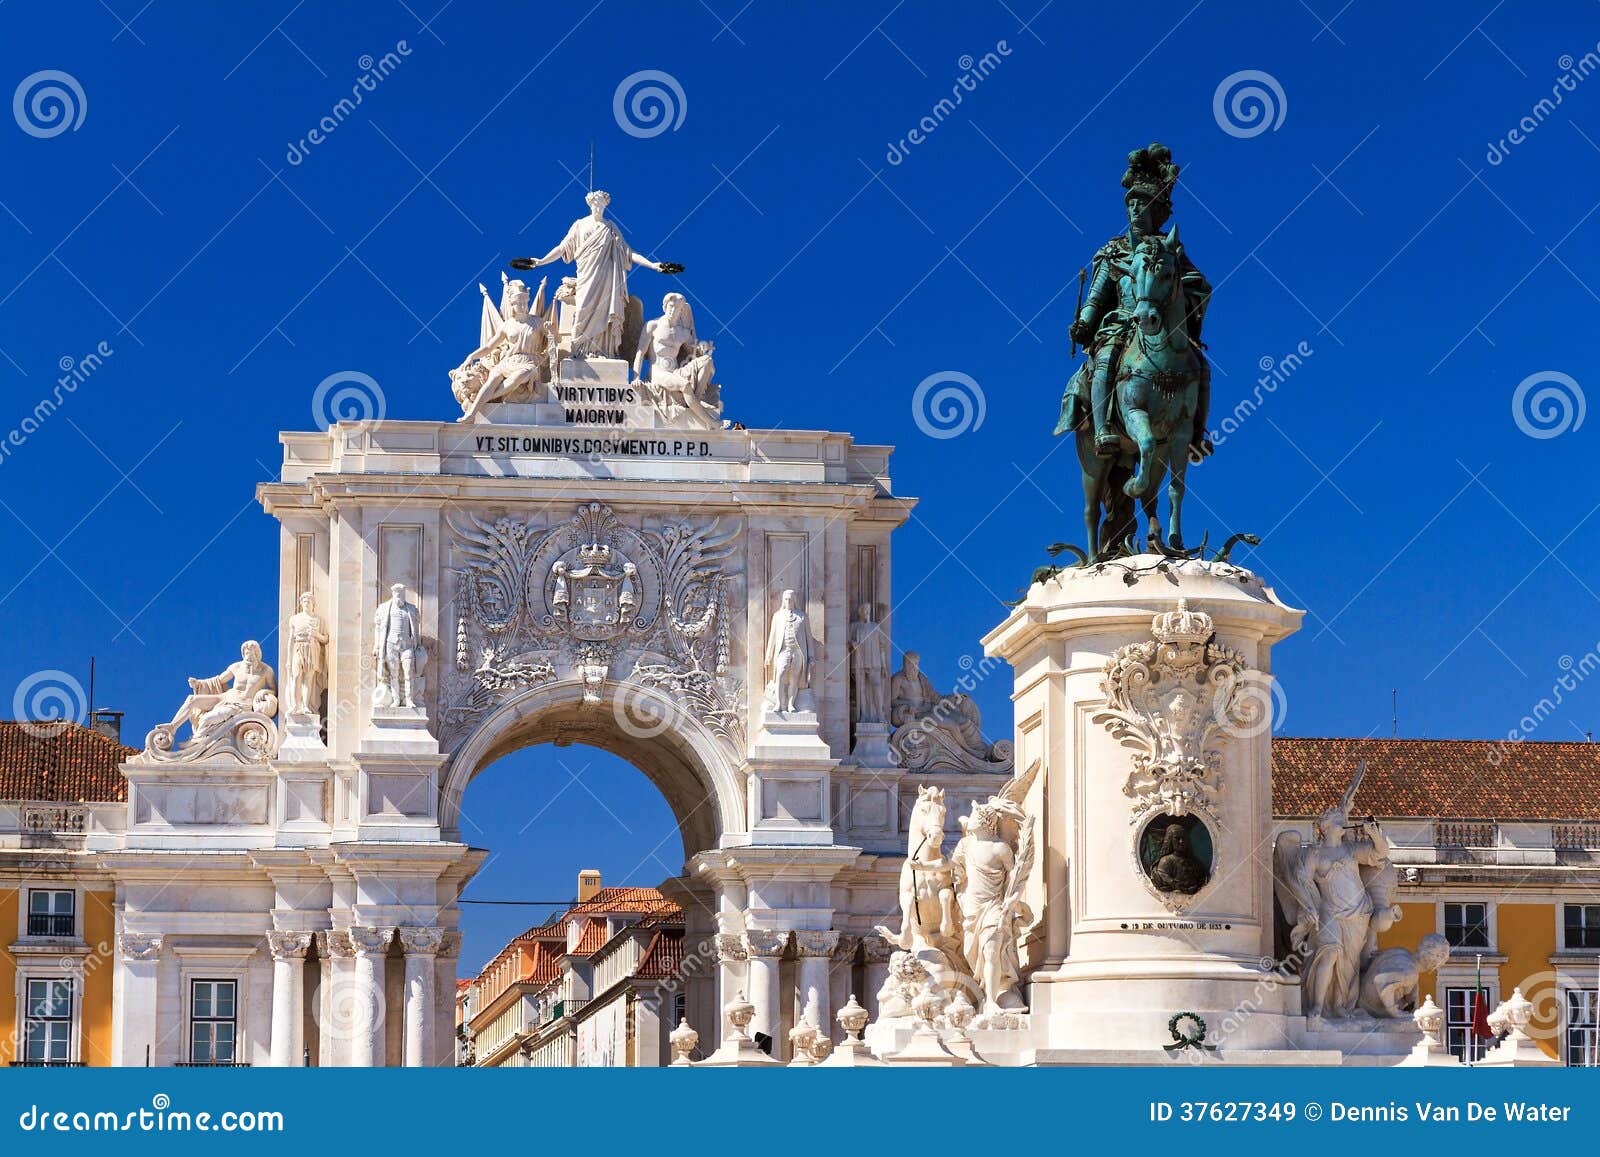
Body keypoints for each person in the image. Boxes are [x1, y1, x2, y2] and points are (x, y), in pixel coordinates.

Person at [512, 191, 679, 358]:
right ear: (589, 204)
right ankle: (579, 351)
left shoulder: (611, 228)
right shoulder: (579, 225)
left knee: (606, 313)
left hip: (607, 279)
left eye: (601, 203)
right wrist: (541, 261)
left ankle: (604, 352)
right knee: (583, 311)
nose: (598, 206)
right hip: (586, 276)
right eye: (595, 203)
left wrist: (653, 265)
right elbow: (562, 248)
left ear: (605, 205)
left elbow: (629, 253)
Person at [373, 583, 421, 708]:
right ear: (394, 594)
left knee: (408, 672)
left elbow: (415, 630)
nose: (400, 597)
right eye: (398, 594)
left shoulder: (411, 609)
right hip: (391, 644)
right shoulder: (384, 608)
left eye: (402, 594)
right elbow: (378, 629)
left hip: (407, 645)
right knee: (393, 674)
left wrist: (418, 644)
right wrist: (377, 646)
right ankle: (396, 700)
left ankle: (409, 699)